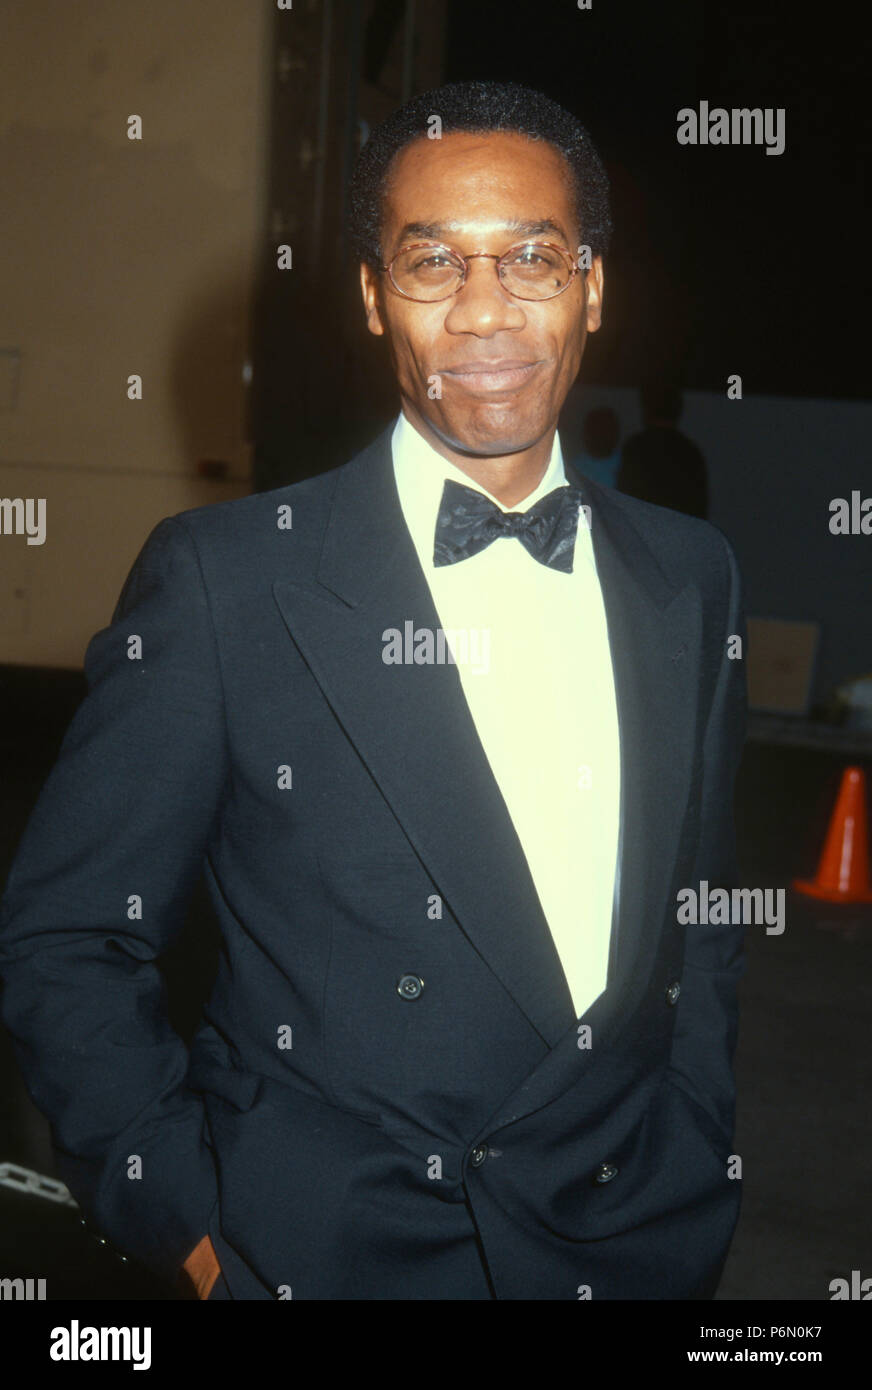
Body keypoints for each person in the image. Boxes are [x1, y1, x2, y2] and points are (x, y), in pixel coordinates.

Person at [0, 80, 747, 1301]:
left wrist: (694, 1156)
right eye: (432, 263)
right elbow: (68, 935)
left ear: (592, 287)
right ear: (368, 296)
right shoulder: (226, 584)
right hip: (324, 1259)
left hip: (626, 1246)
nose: (485, 311)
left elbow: (704, 923)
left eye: (532, 259)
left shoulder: (690, 576)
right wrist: (189, 1226)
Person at [618, 381, 709, 518]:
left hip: (642, 529)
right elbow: (699, 506)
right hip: (679, 531)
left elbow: (624, 497)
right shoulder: (690, 452)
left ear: (646, 408)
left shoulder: (636, 448)